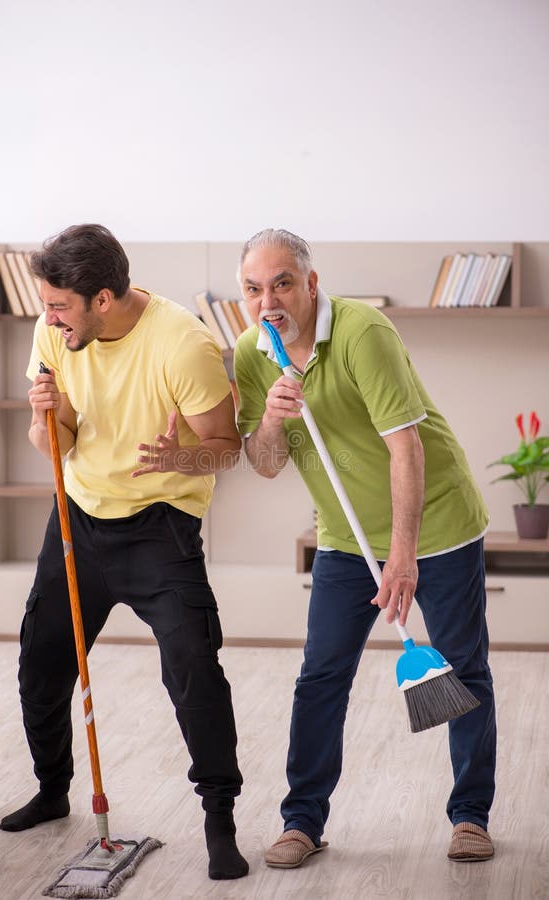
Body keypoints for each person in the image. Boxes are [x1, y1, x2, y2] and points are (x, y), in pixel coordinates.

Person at [233, 228, 496, 868]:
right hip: (345, 537)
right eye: (253, 289)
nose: (268, 301)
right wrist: (272, 416)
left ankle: (470, 816)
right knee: (322, 673)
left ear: (310, 283)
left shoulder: (361, 333)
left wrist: (403, 555)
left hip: (436, 524)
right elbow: (264, 464)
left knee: (462, 666)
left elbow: (406, 449)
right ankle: (302, 821)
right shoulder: (250, 353)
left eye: (282, 283)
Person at [0, 224, 249, 882]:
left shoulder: (182, 343)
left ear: (103, 299)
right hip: (78, 514)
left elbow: (227, 445)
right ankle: (53, 792)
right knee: (40, 663)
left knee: (193, 667)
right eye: (45, 304)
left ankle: (219, 818)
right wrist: (44, 416)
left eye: (58, 306)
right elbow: (58, 438)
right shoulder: (55, 331)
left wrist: (182, 456)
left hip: (158, 525)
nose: (46, 317)